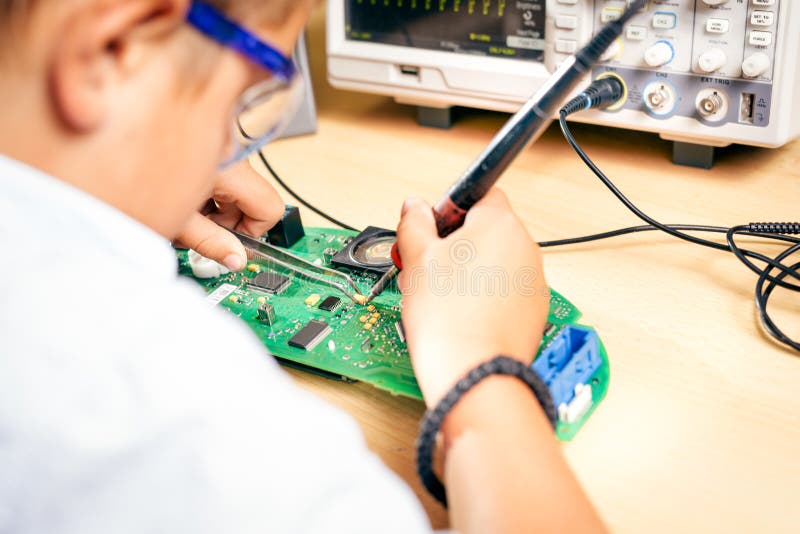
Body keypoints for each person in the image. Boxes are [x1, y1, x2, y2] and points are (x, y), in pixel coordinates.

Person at [0, 0, 606, 532]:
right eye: (249, 98)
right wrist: (484, 383)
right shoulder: (174, 416)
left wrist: (127, 167)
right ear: (115, 49)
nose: (226, 151)